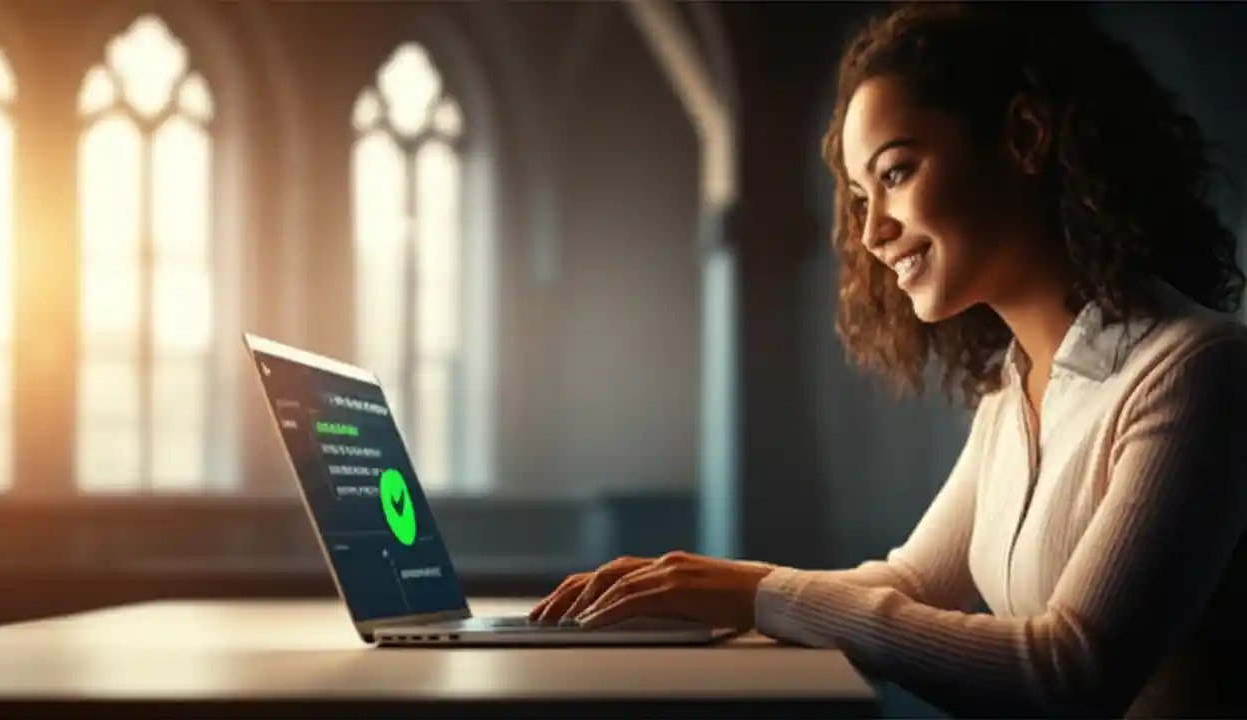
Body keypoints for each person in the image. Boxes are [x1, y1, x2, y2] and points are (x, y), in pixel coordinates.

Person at [529, 2, 1247, 717]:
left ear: (1025, 136)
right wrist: (711, 586)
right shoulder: (1012, 393)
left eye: (896, 173)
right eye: (860, 195)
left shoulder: (1196, 371)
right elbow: (910, 581)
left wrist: (756, 593)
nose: (872, 231)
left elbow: (1068, 671)